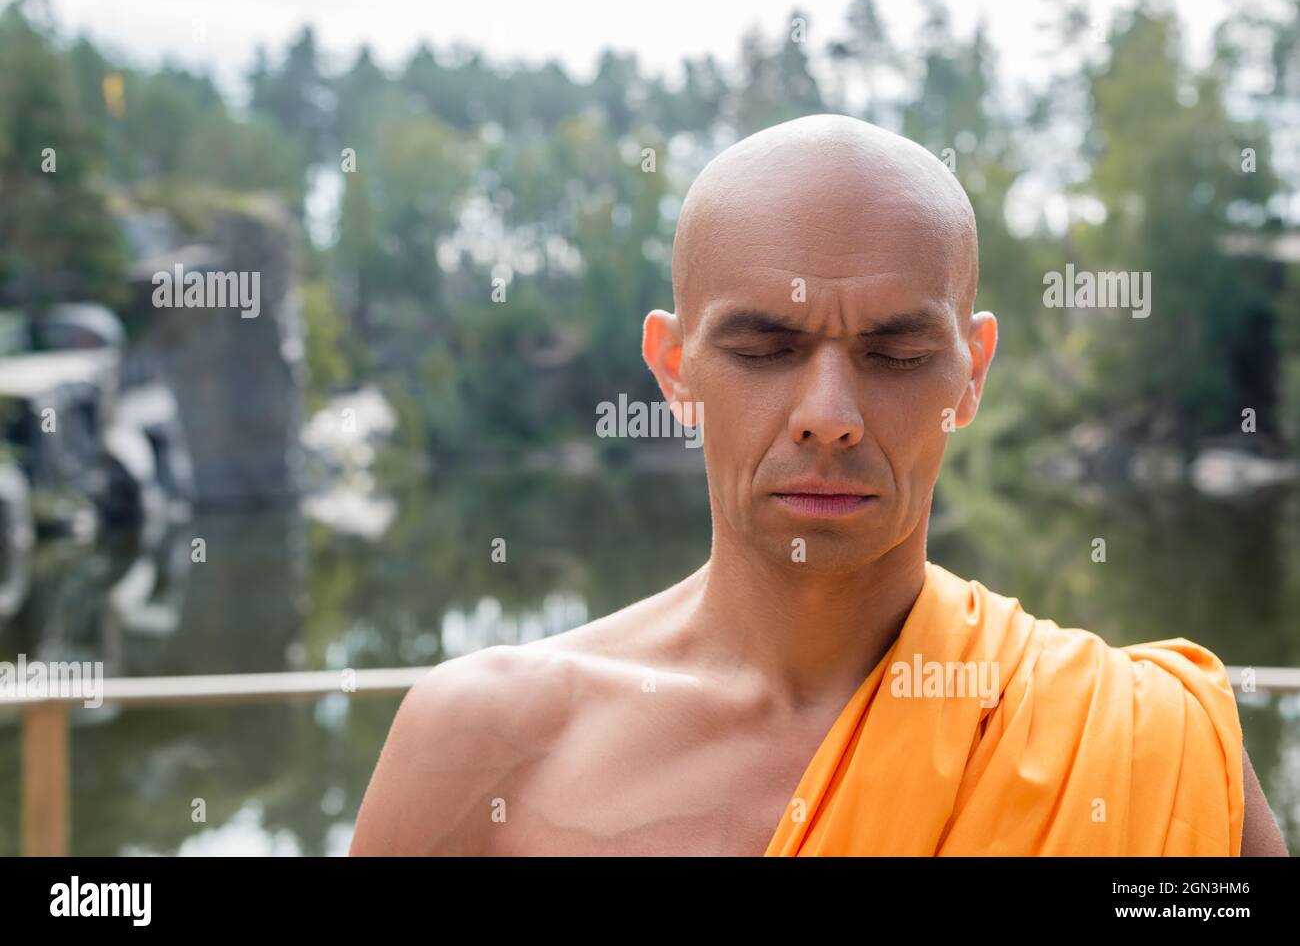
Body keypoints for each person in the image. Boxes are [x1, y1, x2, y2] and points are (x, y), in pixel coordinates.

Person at [351, 114, 1288, 856]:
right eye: (765, 349)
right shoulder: (483, 745)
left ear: (972, 372)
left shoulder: (1144, 750)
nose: (829, 413)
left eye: (897, 351)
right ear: (674, 370)